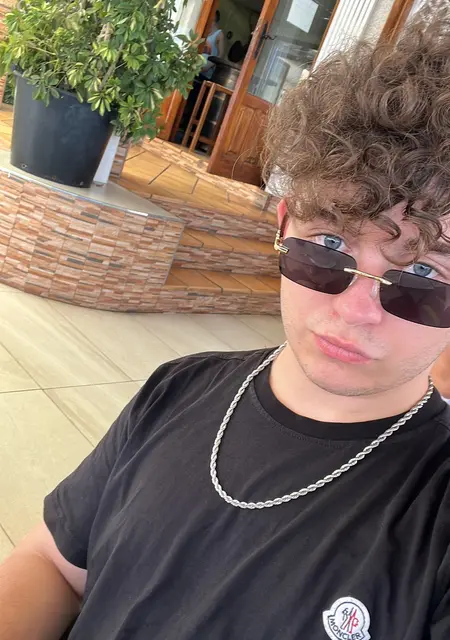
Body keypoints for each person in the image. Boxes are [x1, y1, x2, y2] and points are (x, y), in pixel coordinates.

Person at [2, 4, 450, 640]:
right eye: (328, 248)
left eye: (422, 275)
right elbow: (54, 563)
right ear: (284, 225)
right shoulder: (178, 387)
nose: (356, 310)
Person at [201, 10, 225, 79]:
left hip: (206, 72)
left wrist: (209, 65)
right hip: (194, 67)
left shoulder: (219, 34)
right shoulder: (202, 28)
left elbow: (220, 55)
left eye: (213, 20)